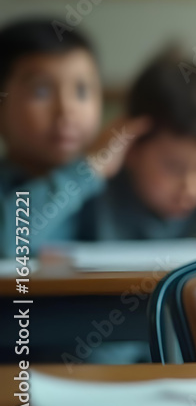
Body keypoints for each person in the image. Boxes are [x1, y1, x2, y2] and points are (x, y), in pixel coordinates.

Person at [77, 49, 196, 240]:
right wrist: (87, 169)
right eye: (175, 167)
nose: (192, 187)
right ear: (131, 148)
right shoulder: (93, 201)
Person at [0, 18, 146, 255]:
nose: (66, 109)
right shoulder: (89, 174)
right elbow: (9, 242)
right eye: (41, 91)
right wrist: (85, 172)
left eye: (81, 90)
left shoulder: (114, 184)